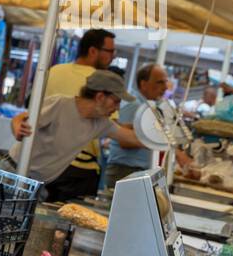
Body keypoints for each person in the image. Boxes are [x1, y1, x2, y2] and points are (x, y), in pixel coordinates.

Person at [9, 69, 146, 199]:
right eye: (116, 101)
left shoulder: (101, 123)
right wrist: (18, 127)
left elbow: (132, 138)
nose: (117, 108)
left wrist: (158, 136)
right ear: (100, 97)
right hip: (13, 173)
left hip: (37, 186)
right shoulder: (60, 104)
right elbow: (20, 118)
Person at [42, 28, 117, 200]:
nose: (113, 56)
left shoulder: (54, 71)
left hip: (47, 161)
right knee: (71, 222)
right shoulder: (102, 81)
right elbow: (112, 125)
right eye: (110, 51)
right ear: (92, 51)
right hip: (79, 167)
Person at [106, 64, 195, 186]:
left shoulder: (149, 106)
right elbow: (124, 141)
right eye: (159, 82)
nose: (165, 88)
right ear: (143, 84)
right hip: (126, 171)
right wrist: (171, 149)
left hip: (137, 171)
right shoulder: (134, 104)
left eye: (165, 82)